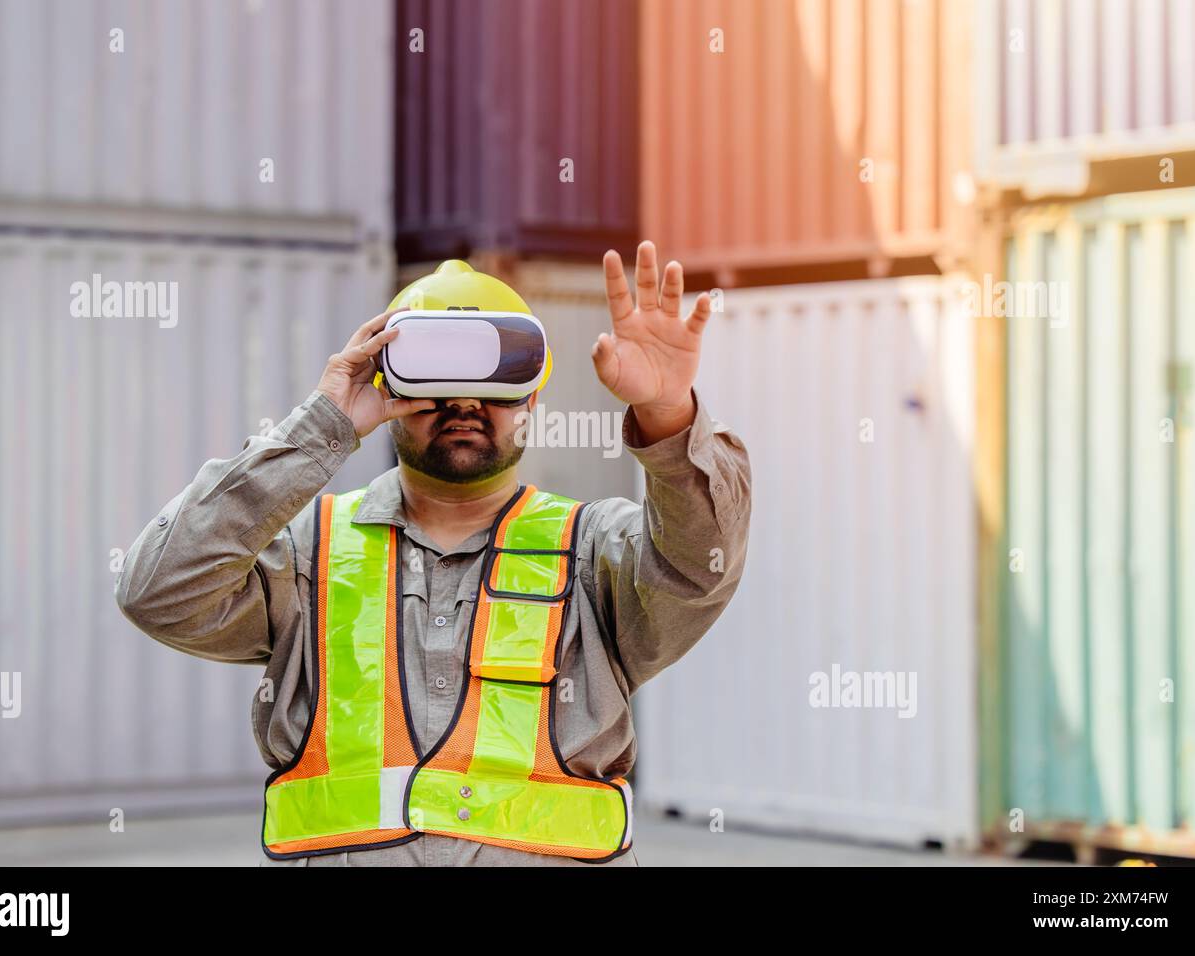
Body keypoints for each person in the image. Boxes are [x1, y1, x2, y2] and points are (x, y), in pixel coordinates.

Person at [116, 241, 751, 866]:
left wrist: (668, 414)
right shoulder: (307, 553)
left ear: (531, 396)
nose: (465, 403)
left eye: (495, 382)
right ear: (388, 385)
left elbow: (698, 569)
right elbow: (158, 592)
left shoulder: (595, 552)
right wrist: (323, 425)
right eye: (435, 382)